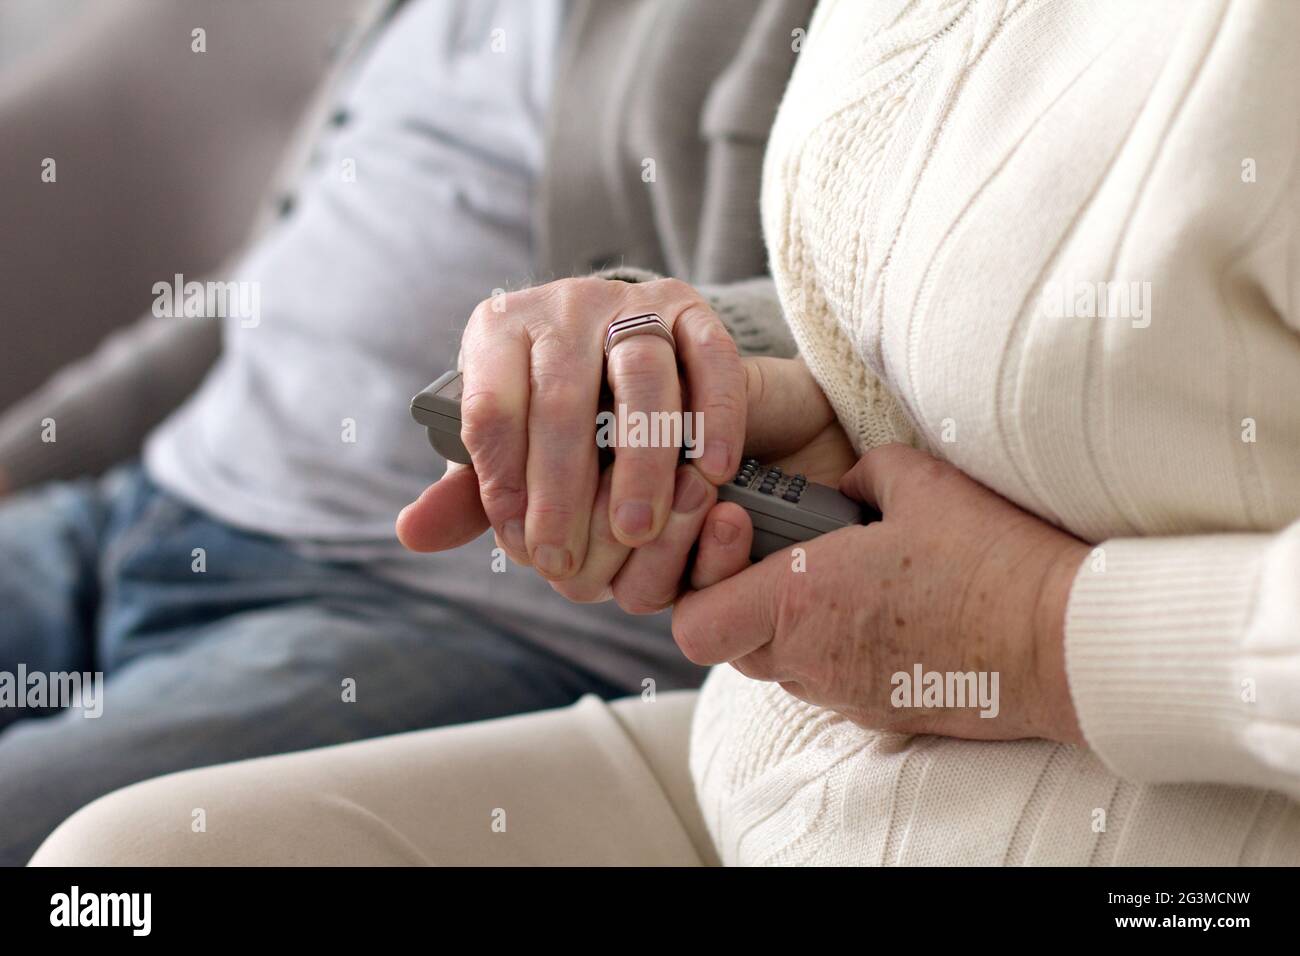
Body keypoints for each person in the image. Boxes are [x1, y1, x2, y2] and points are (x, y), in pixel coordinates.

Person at [32, 0, 1300, 867]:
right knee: (113, 863)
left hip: (1123, 820)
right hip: (773, 759)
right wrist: (745, 361)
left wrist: (1045, 634)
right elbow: (884, 301)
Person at [0, 0, 813, 866]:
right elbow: (263, 287)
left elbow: (828, 329)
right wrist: (27, 458)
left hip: (441, 613)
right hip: (139, 507)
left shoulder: (780, 27)